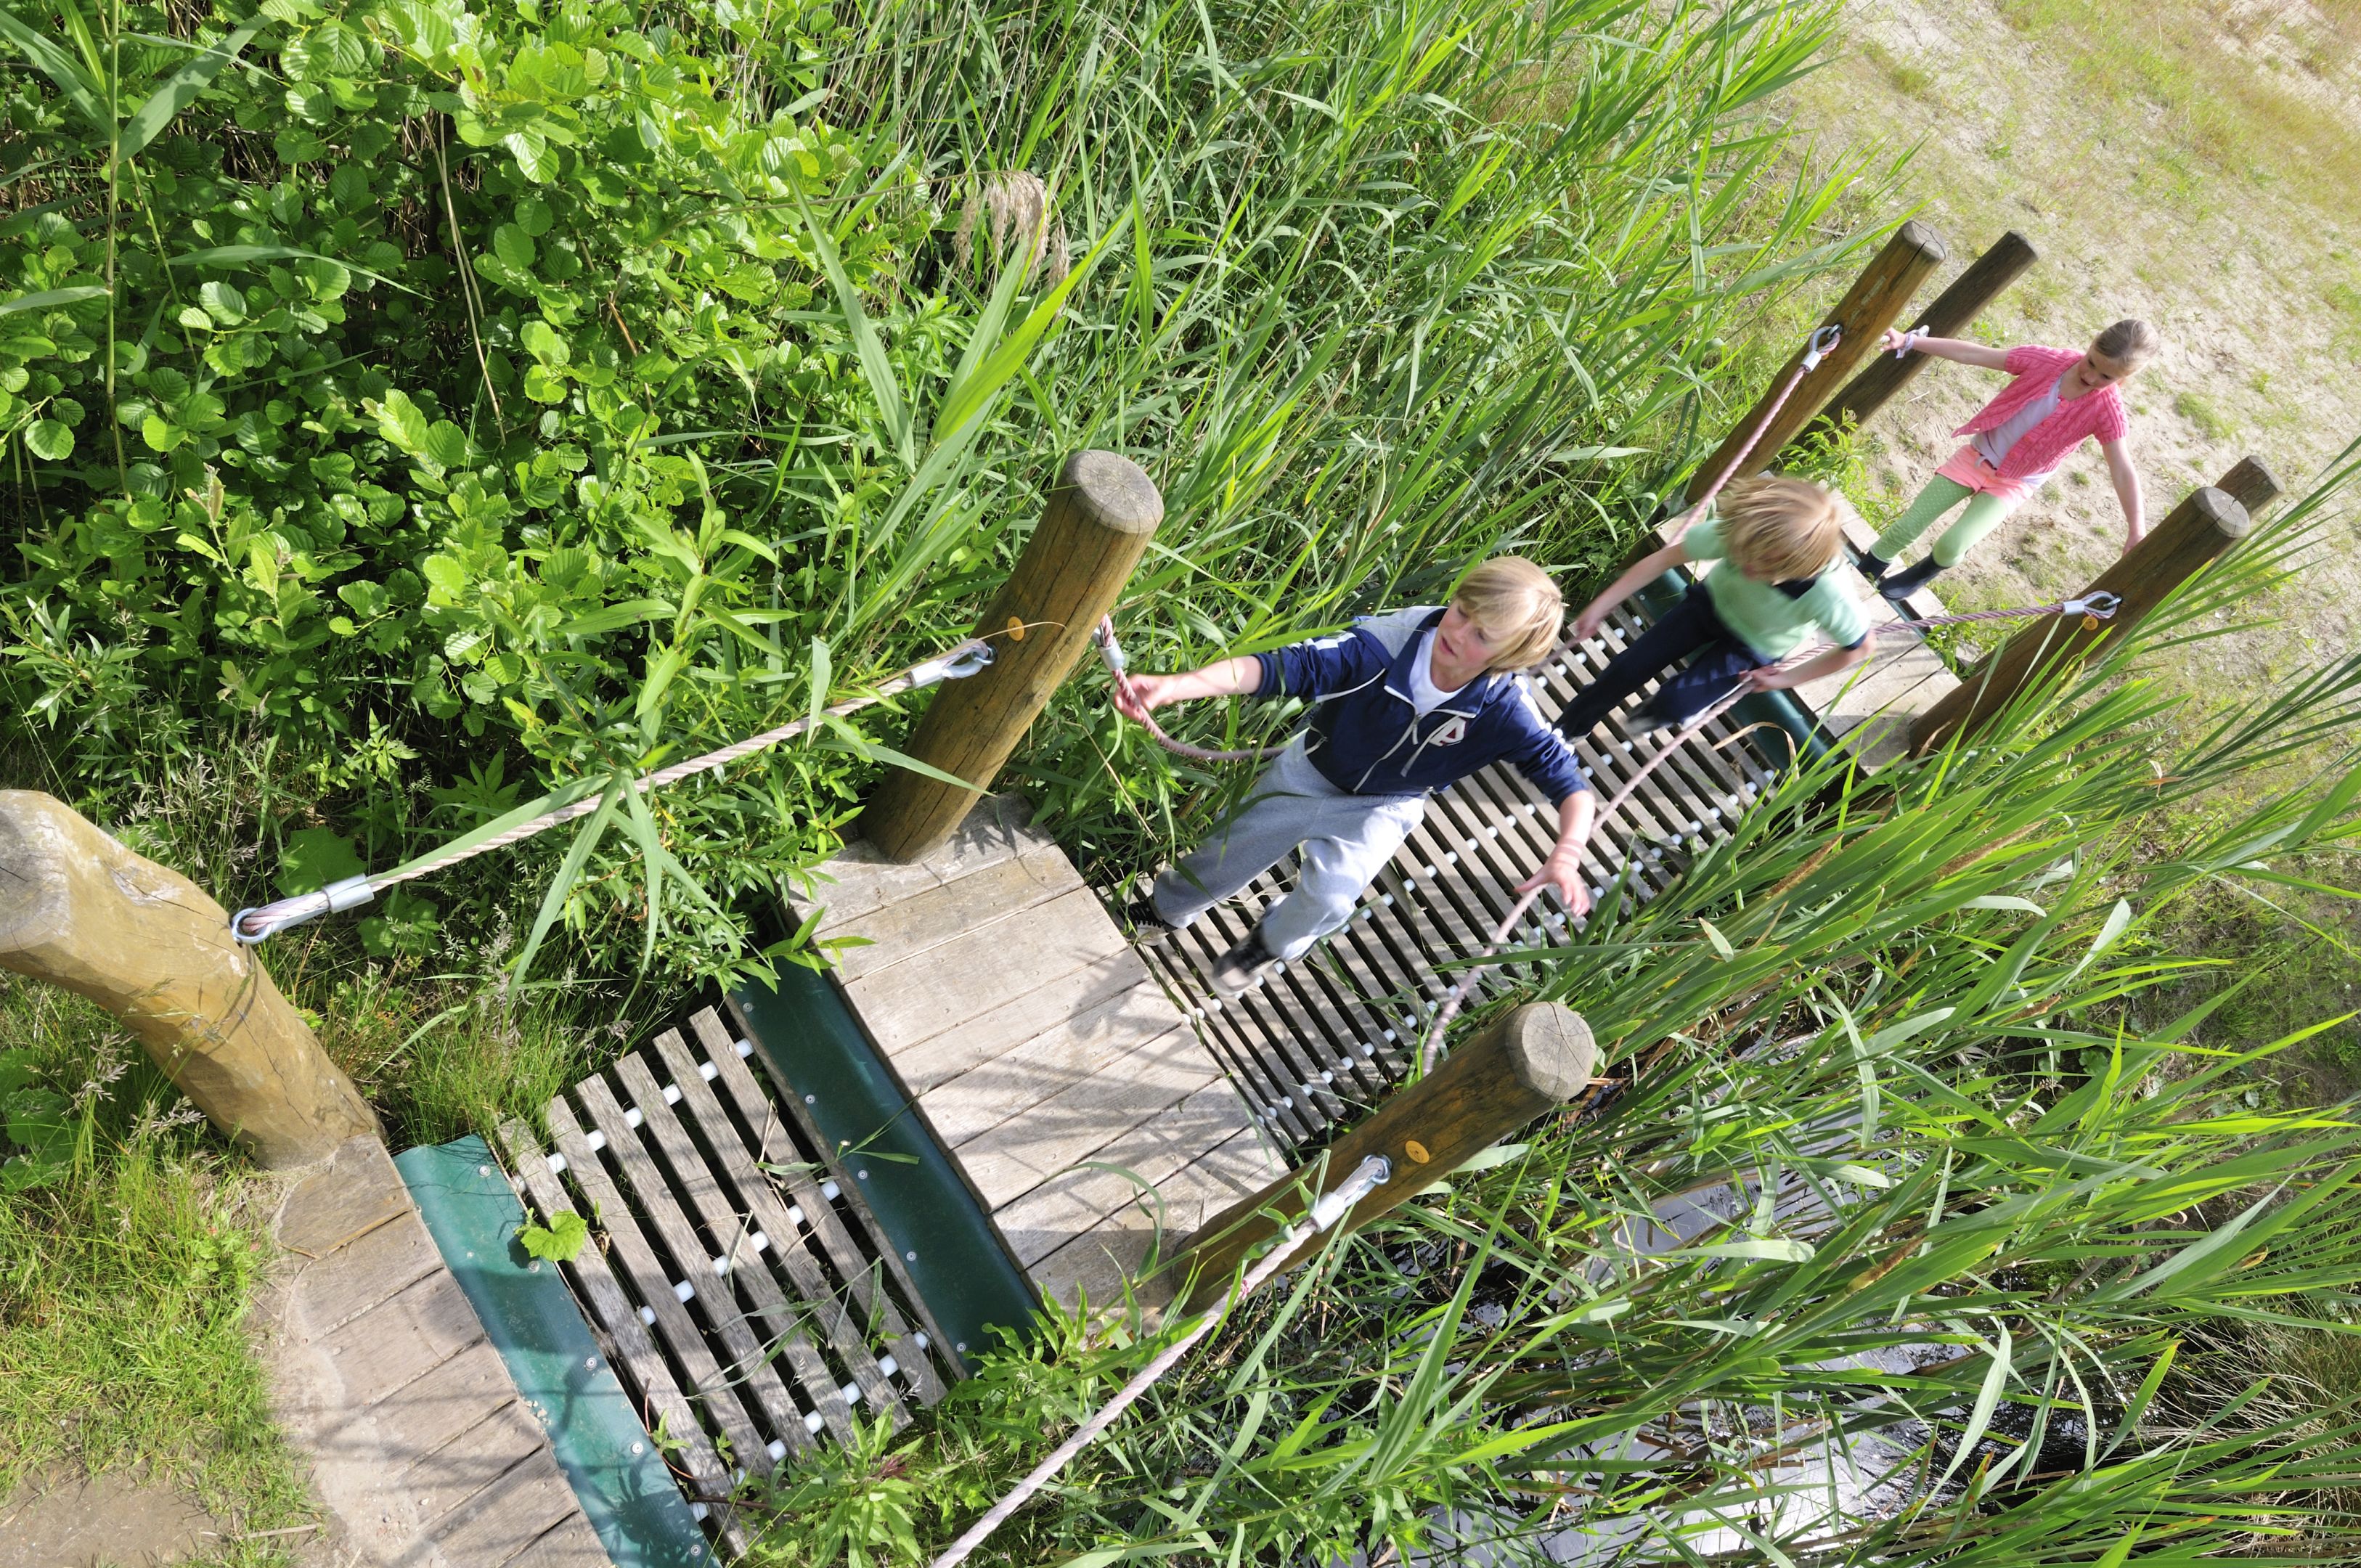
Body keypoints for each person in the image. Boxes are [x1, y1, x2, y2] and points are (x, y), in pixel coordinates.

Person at [1114, 557, 1597, 996]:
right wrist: (1178, 687)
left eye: (1483, 636)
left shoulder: (1506, 710)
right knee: (1229, 849)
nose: (1460, 632)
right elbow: (1282, 668)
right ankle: (1163, 911)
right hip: (1313, 770)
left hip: (1386, 803)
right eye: (1461, 611)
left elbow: (1571, 786)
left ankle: (1266, 944)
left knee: (1332, 894)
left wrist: (1567, 854)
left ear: (1508, 656)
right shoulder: (1383, 647)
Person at [1553, 475, 1875, 741]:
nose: (1745, 567)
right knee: (1625, 670)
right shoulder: (1742, 536)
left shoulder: (1828, 594)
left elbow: (1860, 648)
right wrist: (1602, 605)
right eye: (1741, 556)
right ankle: (1567, 731)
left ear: (1798, 566)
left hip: (1754, 646)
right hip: (1710, 604)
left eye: (1759, 566)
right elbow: (1665, 558)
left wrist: (1786, 679)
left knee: (1677, 702)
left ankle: (1657, 712)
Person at [1857, 319, 2156, 601]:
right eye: (2090, 362)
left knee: (1952, 546)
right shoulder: (2048, 362)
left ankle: (1925, 571)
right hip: (1976, 458)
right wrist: (1909, 340)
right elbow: (1972, 353)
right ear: (2091, 344)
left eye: (2106, 377)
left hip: (2015, 483)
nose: (2090, 376)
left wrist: (2136, 529)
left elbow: (2122, 468)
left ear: (2125, 378)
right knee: (1907, 526)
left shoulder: (2107, 409)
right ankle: (1863, 574)